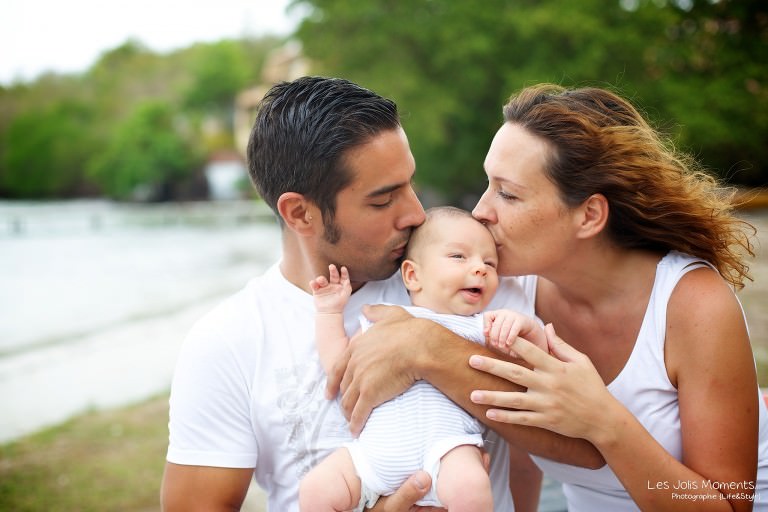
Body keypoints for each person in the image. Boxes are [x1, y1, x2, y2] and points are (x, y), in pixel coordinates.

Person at [161, 76, 600, 512]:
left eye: (410, 184)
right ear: (300, 213)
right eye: (382, 200)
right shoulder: (227, 343)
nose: (414, 213)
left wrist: (429, 347)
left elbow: (583, 449)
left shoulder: (474, 277)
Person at [328, 83, 768, 512]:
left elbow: (724, 505)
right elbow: (520, 455)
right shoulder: (502, 291)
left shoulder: (694, 305)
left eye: (508, 193)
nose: (481, 210)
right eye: (488, 184)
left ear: (590, 214)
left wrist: (605, 422)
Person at [300, 206, 548, 511]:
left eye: (490, 263)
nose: (480, 268)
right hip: (372, 457)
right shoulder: (382, 324)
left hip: (446, 451)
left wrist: (525, 327)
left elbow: (535, 371)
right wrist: (328, 311)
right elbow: (338, 365)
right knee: (315, 490)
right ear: (413, 274)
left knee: (472, 488)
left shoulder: (483, 326)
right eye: (459, 256)